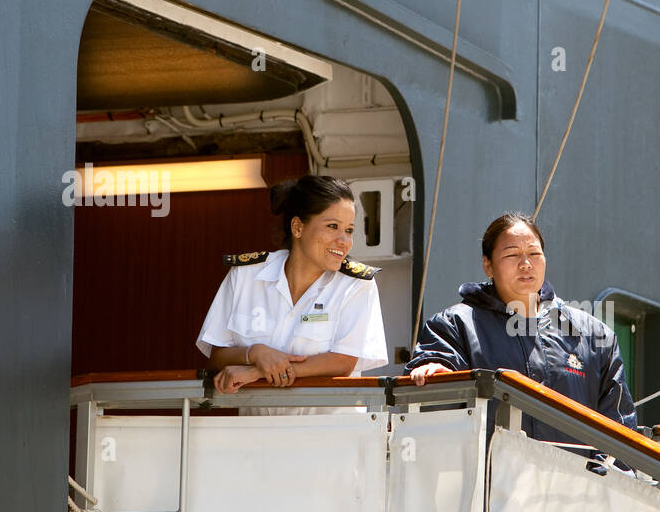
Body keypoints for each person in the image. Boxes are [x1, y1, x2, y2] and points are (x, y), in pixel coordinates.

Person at [406, 213, 637, 447]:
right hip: (488, 479)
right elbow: (432, 378)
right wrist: (432, 372)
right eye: (512, 254)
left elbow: (619, 425)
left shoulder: (593, 334)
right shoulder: (455, 324)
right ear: (488, 265)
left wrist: (599, 478)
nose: (526, 263)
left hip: (574, 481)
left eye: (534, 253)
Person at [196, 175, 387, 409]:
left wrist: (258, 372)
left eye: (349, 230)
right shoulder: (245, 276)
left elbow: (343, 361)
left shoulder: (357, 285)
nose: (344, 241)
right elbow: (216, 355)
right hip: (257, 433)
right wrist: (254, 353)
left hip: (333, 435)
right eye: (332, 226)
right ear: (297, 227)